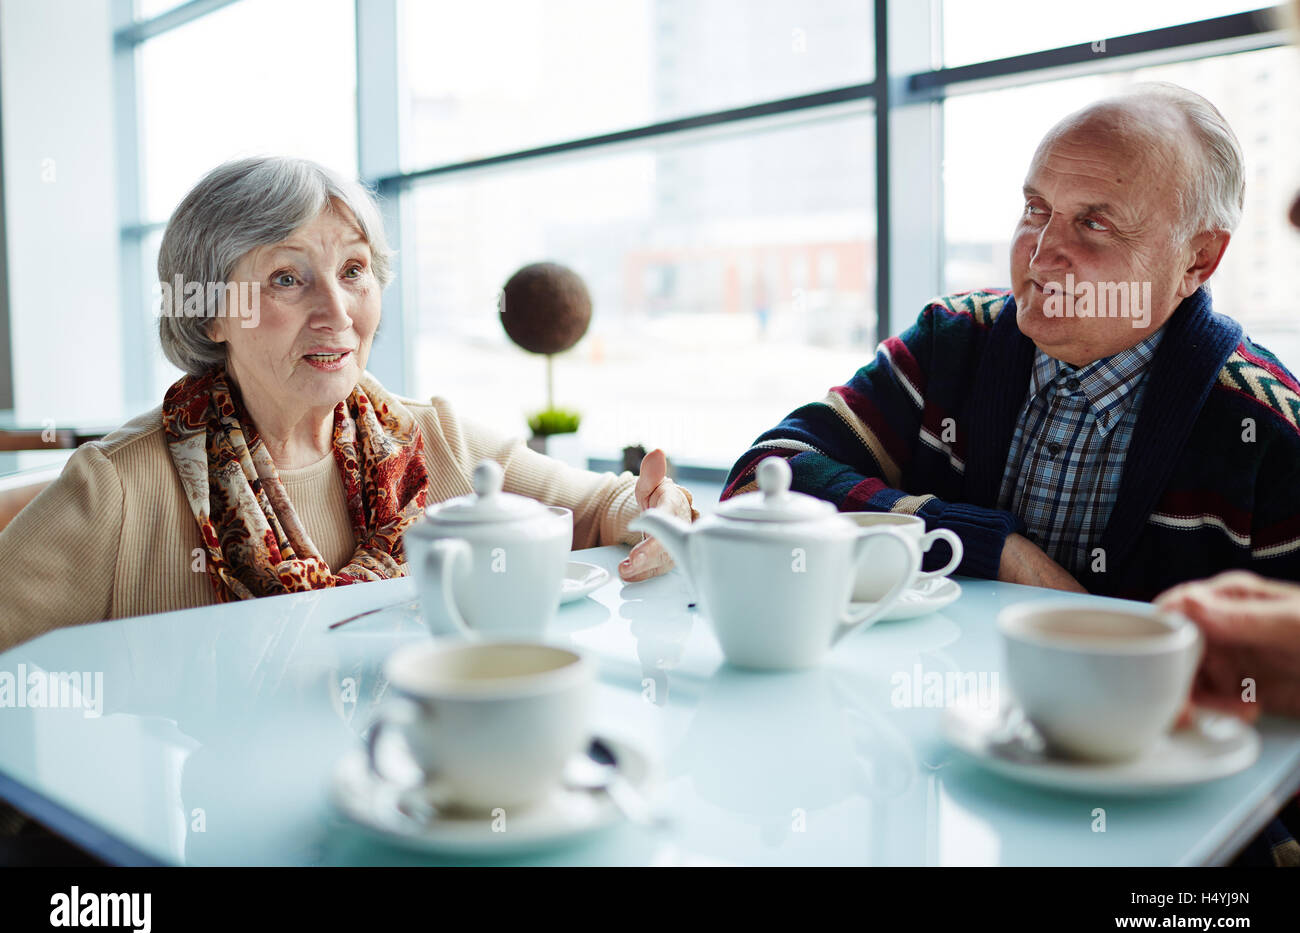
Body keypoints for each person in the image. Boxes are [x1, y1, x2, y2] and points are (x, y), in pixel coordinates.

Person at [0, 156, 696, 651]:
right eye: (287, 278)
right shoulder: (116, 488)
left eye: (354, 271)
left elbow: (608, 509)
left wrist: (654, 513)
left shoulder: (433, 437)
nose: (336, 311)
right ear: (211, 313)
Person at [723, 82, 1300, 601]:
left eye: (1095, 223)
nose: (1042, 251)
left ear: (1198, 260)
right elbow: (764, 477)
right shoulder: (950, 340)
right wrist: (991, 549)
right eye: (1036, 208)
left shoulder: (1268, 426)